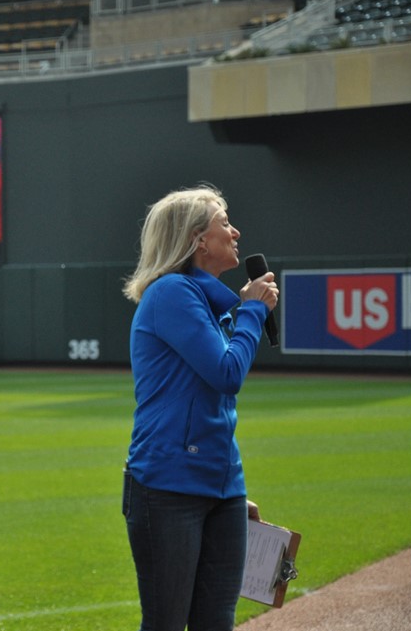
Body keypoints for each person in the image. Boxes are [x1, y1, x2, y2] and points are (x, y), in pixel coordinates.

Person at [120, 186, 278, 631]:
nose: (235, 231)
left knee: (216, 623)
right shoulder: (172, 292)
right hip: (167, 485)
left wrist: (227, 484)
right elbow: (226, 373)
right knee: (167, 623)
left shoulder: (207, 303)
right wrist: (251, 312)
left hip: (220, 486)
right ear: (197, 240)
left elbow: (213, 405)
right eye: (224, 222)